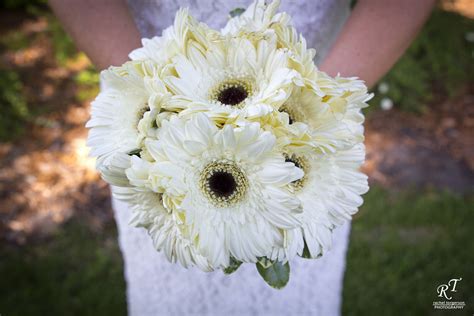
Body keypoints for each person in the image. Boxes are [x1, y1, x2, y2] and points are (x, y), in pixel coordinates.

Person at [50, 0, 435, 315]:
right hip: (149, 104)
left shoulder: (314, 115)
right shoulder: (150, 103)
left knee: (299, 273)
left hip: (312, 99)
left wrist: (321, 103)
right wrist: (153, 95)